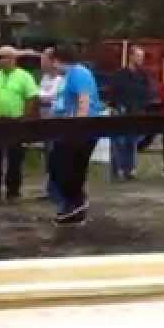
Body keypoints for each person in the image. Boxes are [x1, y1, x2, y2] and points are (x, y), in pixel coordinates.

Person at [49, 43, 103, 226]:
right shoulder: (69, 75)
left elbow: (83, 102)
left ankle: (76, 205)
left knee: (70, 169)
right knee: (59, 166)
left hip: (82, 131)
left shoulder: (79, 73)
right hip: (69, 130)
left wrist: (76, 128)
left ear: (57, 60)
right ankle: (73, 204)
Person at [0, 46, 39, 202]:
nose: (0, 61)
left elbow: (31, 98)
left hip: (16, 121)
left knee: (15, 159)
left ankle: (13, 192)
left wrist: (25, 118)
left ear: (13, 59)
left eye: (3, 57)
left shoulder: (24, 76)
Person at [109, 46, 151, 181]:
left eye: (142, 57)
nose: (141, 59)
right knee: (119, 141)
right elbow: (113, 93)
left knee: (132, 142)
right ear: (131, 57)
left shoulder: (143, 75)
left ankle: (130, 169)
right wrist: (115, 107)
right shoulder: (119, 74)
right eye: (138, 56)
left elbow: (147, 93)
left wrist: (144, 108)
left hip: (136, 113)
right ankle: (118, 169)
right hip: (121, 112)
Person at [36, 47, 66, 210]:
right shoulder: (45, 78)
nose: (41, 63)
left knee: (56, 155)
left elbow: (53, 98)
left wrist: (42, 97)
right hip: (45, 122)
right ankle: (50, 188)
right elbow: (40, 95)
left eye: (44, 59)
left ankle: (58, 190)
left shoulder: (62, 79)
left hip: (57, 123)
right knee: (48, 155)